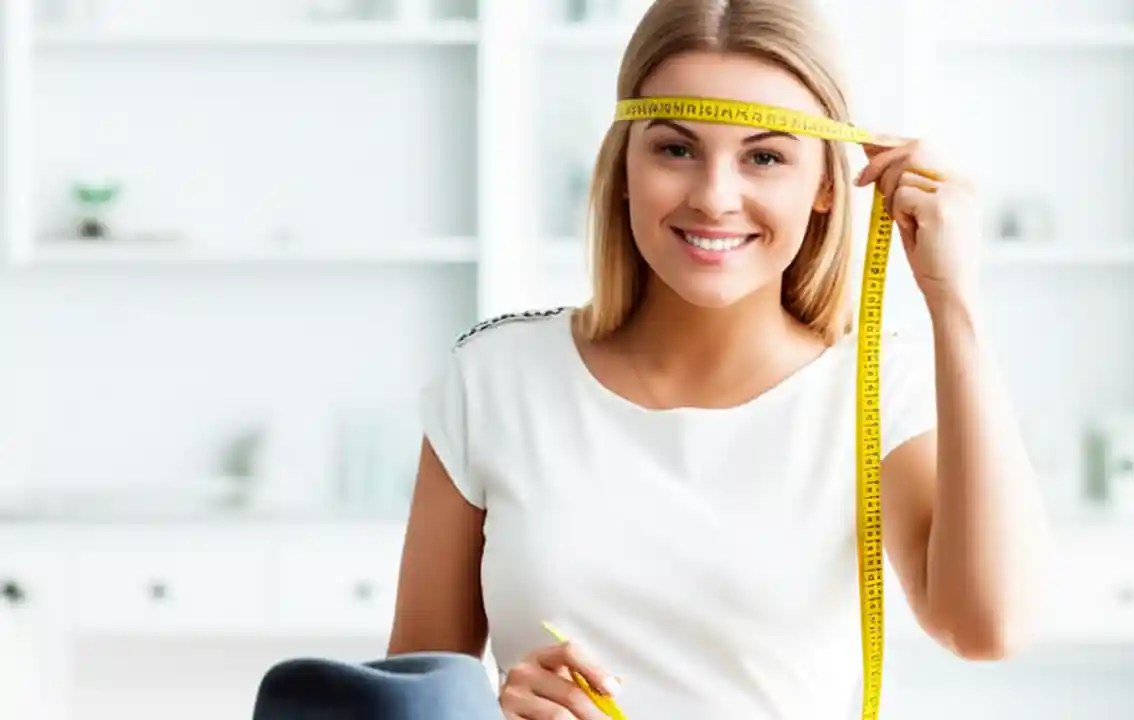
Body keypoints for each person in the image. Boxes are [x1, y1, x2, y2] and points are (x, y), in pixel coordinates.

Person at [387, 0, 1051, 717]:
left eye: (764, 157)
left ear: (828, 185)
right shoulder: (494, 380)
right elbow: (414, 699)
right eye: (676, 149)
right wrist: (499, 709)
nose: (714, 198)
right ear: (623, 167)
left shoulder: (876, 388)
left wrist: (954, 299)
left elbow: (990, 627)